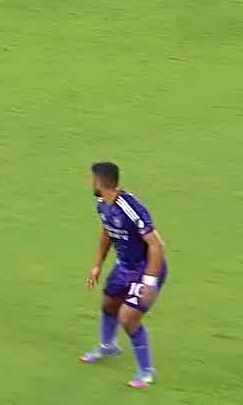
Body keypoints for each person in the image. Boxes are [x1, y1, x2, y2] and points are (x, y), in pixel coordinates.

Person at [81, 161, 168, 386]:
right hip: (124, 267)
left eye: (91, 179)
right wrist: (97, 265)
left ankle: (146, 372)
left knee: (128, 318)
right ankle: (108, 346)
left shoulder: (130, 208)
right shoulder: (102, 203)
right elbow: (107, 231)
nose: (89, 182)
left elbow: (156, 245)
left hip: (146, 268)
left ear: (99, 182)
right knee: (108, 305)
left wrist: (149, 282)